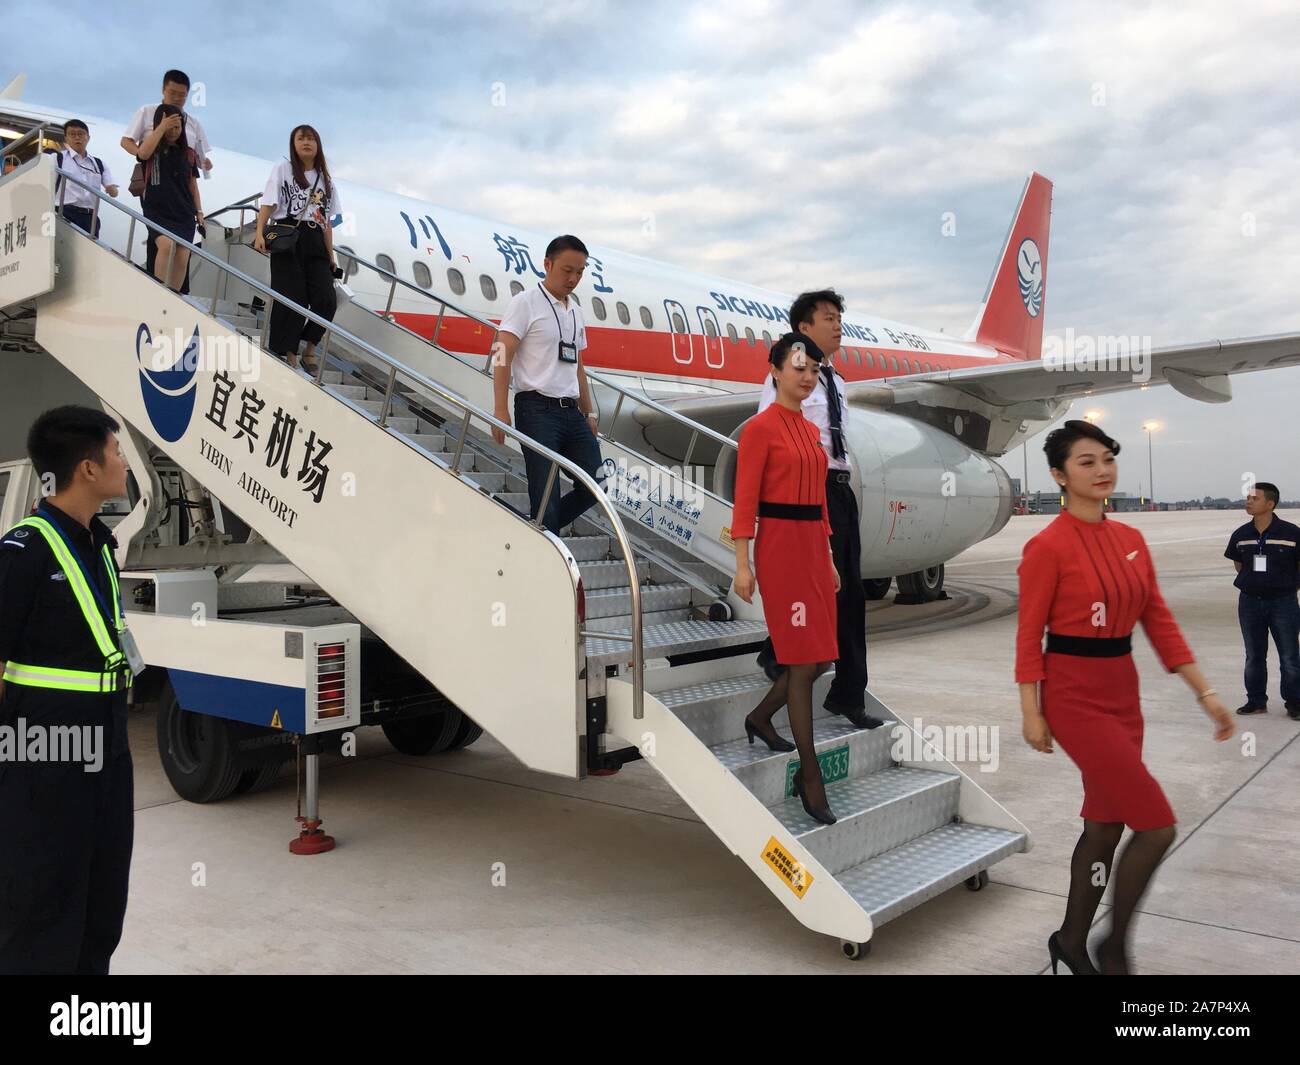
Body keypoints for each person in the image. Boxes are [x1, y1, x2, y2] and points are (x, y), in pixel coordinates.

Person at [1016, 419, 1234, 974]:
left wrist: (1204, 692)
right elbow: (1028, 635)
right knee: (1157, 823)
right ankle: (1112, 946)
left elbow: (1158, 620)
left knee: (1105, 825)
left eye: (1107, 458)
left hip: (1123, 693)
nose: (1102, 470)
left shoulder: (1131, 541)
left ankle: (1068, 939)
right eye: (1086, 462)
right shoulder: (1046, 546)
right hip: (1072, 697)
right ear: (1058, 475)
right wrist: (1031, 712)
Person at [0, 406, 138, 974]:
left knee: (101, 900)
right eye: (116, 451)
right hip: (44, 753)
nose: (125, 462)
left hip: (108, 748)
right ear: (87, 467)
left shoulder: (99, 544)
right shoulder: (22, 551)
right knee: (41, 902)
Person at [756, 290, 881, 730]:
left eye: (839, 318)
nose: (837, 325)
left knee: (851, 594)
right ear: (802, 329)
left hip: (840, 490)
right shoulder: (784, 379)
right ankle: (777, 653)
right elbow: (768, 436)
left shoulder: (838, 381)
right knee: (811, 587)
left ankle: (848, 693)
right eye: (829, 318)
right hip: (807, 490)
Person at [732, 334, 841, 825]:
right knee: (800, 663)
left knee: (819, 660)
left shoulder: (811, 432)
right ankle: (810, 773)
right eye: (798, 366)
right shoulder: (759, 429)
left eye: (813, 370)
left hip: (814, 550)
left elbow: (819, 501)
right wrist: (742, 561)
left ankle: (759, 717)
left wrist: (830, 555)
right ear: (775, 370)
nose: (806, 375)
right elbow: (746, 500)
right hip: (778, 550)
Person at [491, 235, 604, 534]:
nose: (574, 278)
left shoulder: (576, 311)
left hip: (571, 412)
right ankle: (546, 533)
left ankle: (537, 530)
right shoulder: (525, 303)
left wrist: (589, 412)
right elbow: (502, 353)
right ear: (547, 264)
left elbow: (577, 365)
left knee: (597, 482)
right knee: (546, 495)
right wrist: (500, 409)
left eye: (580, 272)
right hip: (536, 409)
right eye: (567, 270)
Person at [254, 125, 342, 373]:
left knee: (327, 298)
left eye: (311, 138)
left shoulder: (326, 180)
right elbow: (269, 203)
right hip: (288, 234)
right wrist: (260, 232)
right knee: (292, 297)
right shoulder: (283, 168)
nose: (306, 142)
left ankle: (310, 347)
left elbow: (327, 222)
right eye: (301, 138)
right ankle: (288, 351)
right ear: (293, 144)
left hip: (315, 237)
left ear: (318, 145)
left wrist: (331, 255)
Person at [1224, 482, 1300, 719]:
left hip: (1283, 602)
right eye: (1248, 497)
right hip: (1249, 602)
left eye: (1254, 498)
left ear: (1270, 503)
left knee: (1289, 655)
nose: (1248, 501)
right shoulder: (1241, 534)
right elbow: (1239, 564)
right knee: (1254, 655)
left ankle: (1295, 702)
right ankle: (1256, 701)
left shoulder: (1291, 533)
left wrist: (1286, 587)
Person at [136, 104, 202, 291]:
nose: (174, 131)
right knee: (166, 245)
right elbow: (142, 154)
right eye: (170, 126)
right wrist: (161, 128)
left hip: (183, 210)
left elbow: (193, 185)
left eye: (177, 127)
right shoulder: (151, 146)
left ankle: (174, 296)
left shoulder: (187, 153)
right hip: (157, 208)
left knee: (183, 254)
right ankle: (160, 291)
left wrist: (199, 211)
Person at [120, 69, 213, 174]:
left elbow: (198, 158)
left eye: (182, 95)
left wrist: (204, 163)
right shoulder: (147, 111)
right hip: (154, 178)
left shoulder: (194, 123)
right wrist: (142, 154)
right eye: (172, 93)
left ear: (187, 95)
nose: (177, 98)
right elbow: (126, 141)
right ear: (163, 90)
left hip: (184, 182)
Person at [49, 120, 118, 237]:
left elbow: (114, 192)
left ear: (88, 137)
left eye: (81, 134)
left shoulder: (98, 163)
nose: (77, 137)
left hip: (90, 217)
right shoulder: (57, 158)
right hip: (64, 212)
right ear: (66, 138)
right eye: (72, 134)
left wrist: (111, 189)